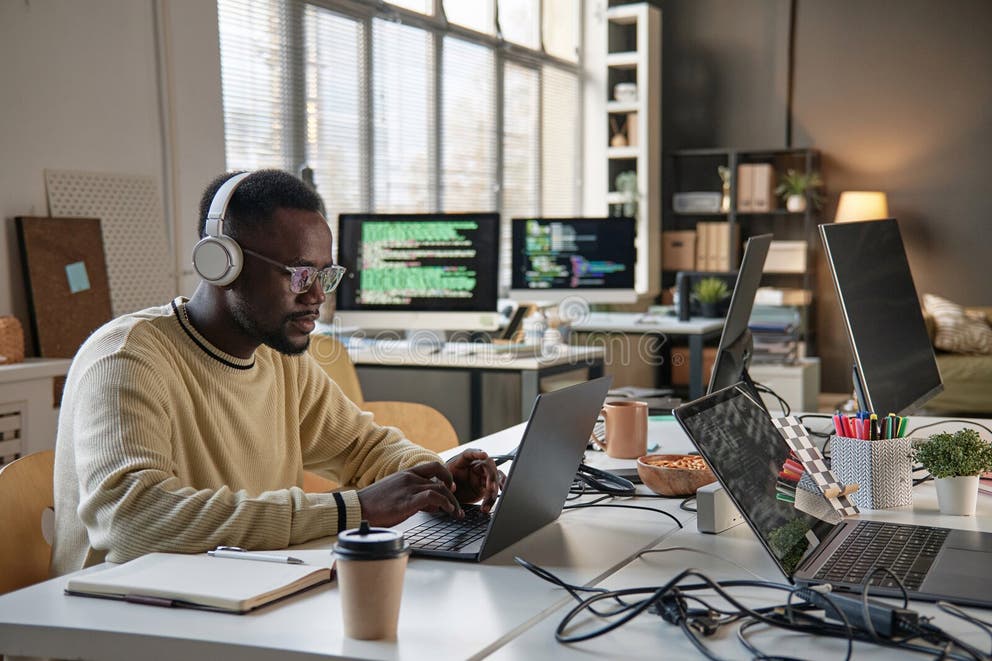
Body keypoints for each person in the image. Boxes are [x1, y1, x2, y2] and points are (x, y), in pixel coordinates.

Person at [52, 169, 501, 575]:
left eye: (326, 276)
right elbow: (133, 520)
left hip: (237, 590)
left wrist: (433, 478)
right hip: (117, 618)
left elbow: (364, 449)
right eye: (300, 274)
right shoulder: (127, 358)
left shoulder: (282, 359)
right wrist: (353, 509)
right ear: (222, 262)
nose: (317, 297)